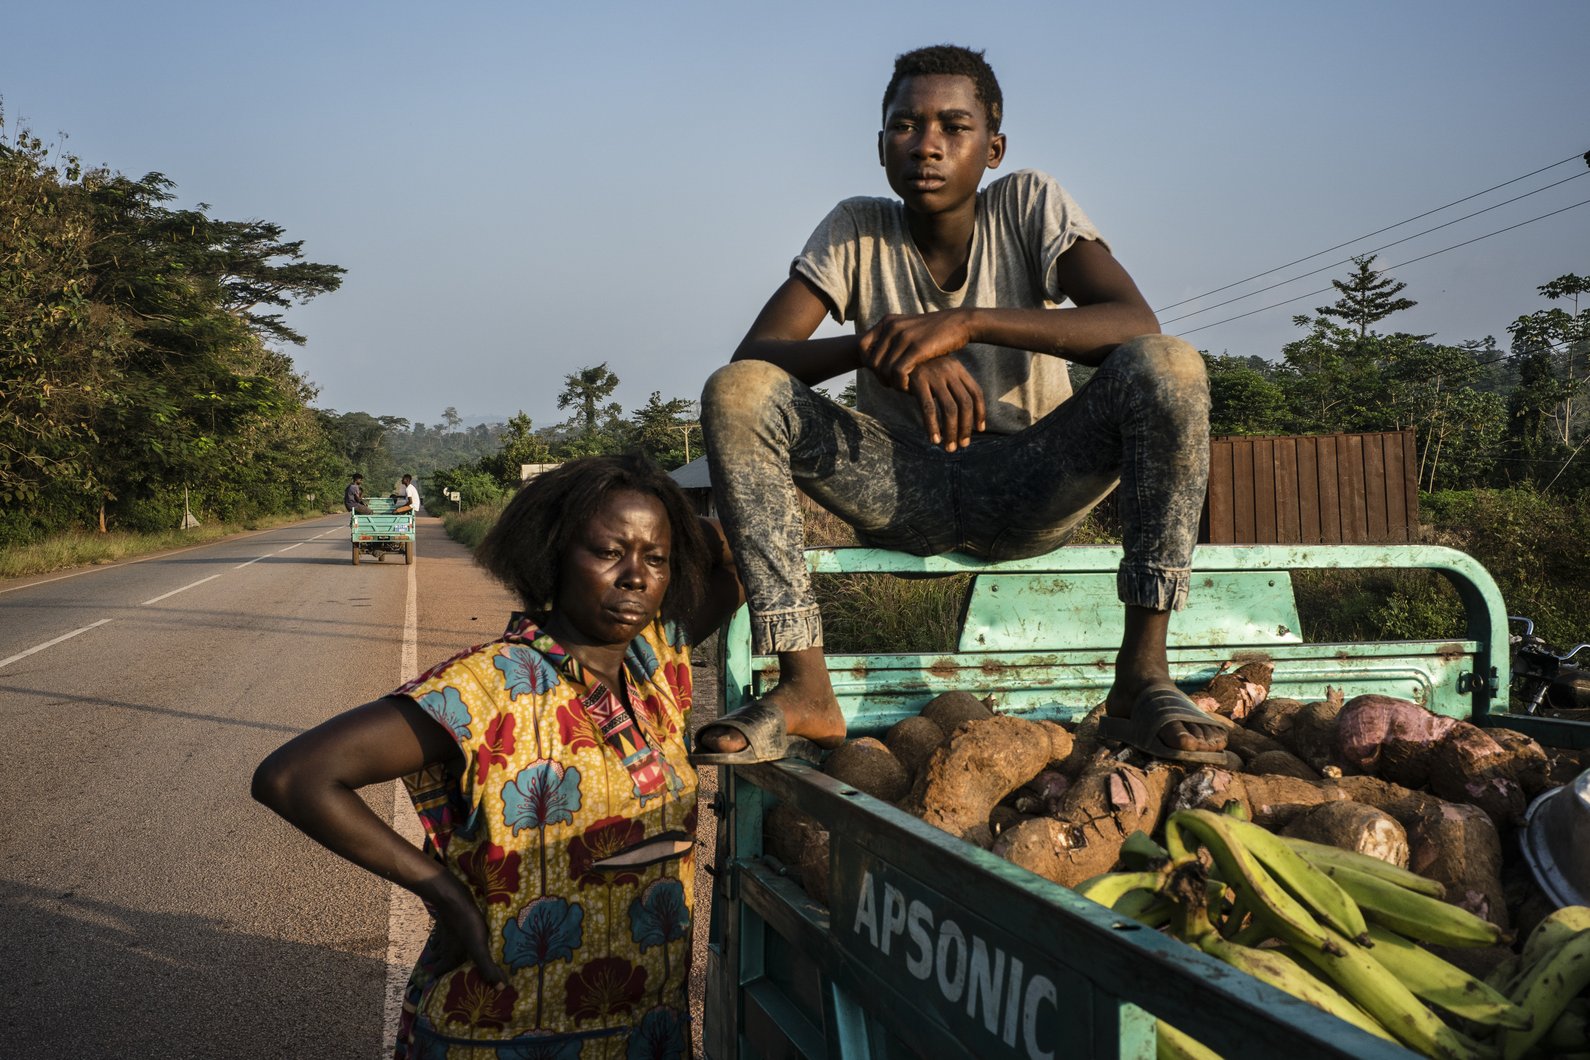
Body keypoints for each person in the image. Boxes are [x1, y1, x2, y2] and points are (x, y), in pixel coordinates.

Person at [691, 44, 1230, 769]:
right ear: (881, 145)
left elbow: (1132, 320)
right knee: (738, 392)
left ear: (994, 147)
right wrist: (884, 345)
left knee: (1168, 365)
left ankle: (1140, 676)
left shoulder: (1029, 201)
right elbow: (757, 355)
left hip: (1030, 480)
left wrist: (967, 321)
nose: (929, 144)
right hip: (902, 485)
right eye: (906, 126)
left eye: (955, 125)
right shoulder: (856, 226)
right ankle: (806, 687)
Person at [253, 453, 743, 1058]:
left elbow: (737, 567)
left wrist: (688, 531)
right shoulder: (483, 688)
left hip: (646, 1026)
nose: (636, 576)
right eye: (609, 552)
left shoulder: (658, 666)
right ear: (553, 553)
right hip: (500, 1028)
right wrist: (444, 892)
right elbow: (294, 777)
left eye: (657, 558)